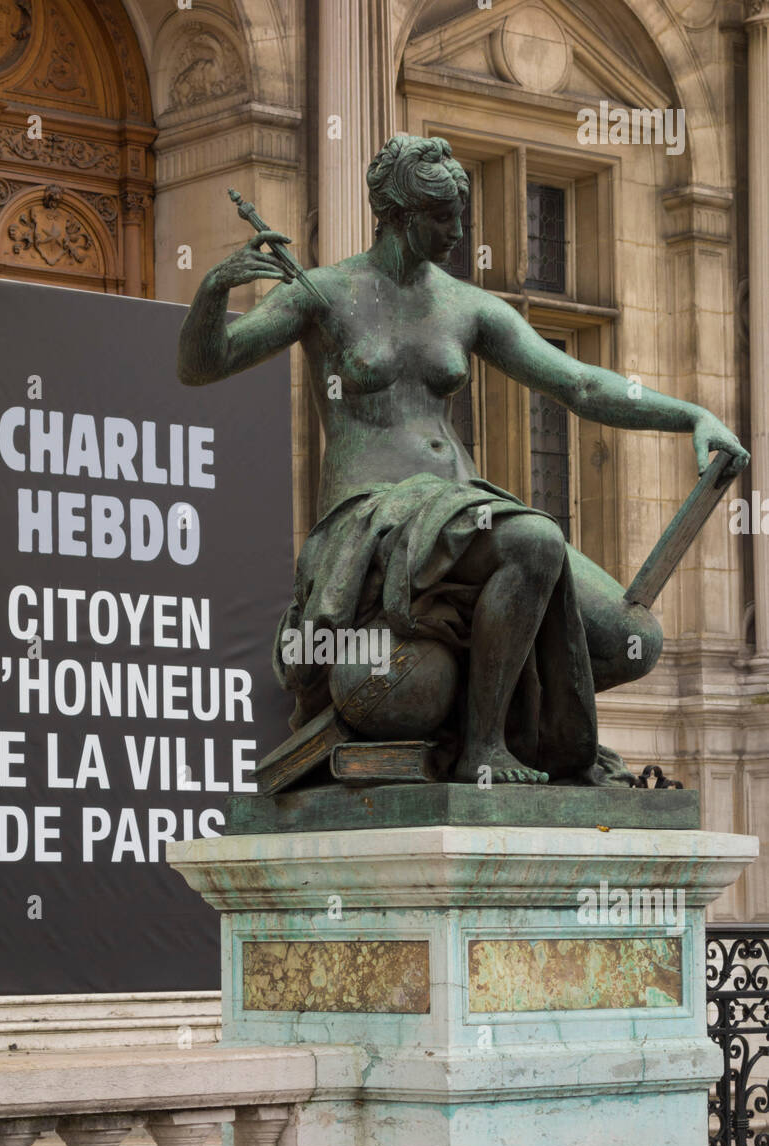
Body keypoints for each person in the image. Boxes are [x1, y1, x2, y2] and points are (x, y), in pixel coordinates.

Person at [178, 134, 749, 785]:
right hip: (372, 516)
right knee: (535, 541)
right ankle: (482, 749)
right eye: (441, 217)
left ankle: (499, 718)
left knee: (633, 639)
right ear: (396, 214)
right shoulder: (325, 294)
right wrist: (215, 288)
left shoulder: (465, 305)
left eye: (460, 214)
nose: (456, 231)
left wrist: (693, 417)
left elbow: (578, 384)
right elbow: (204, 364)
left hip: (460, 508)